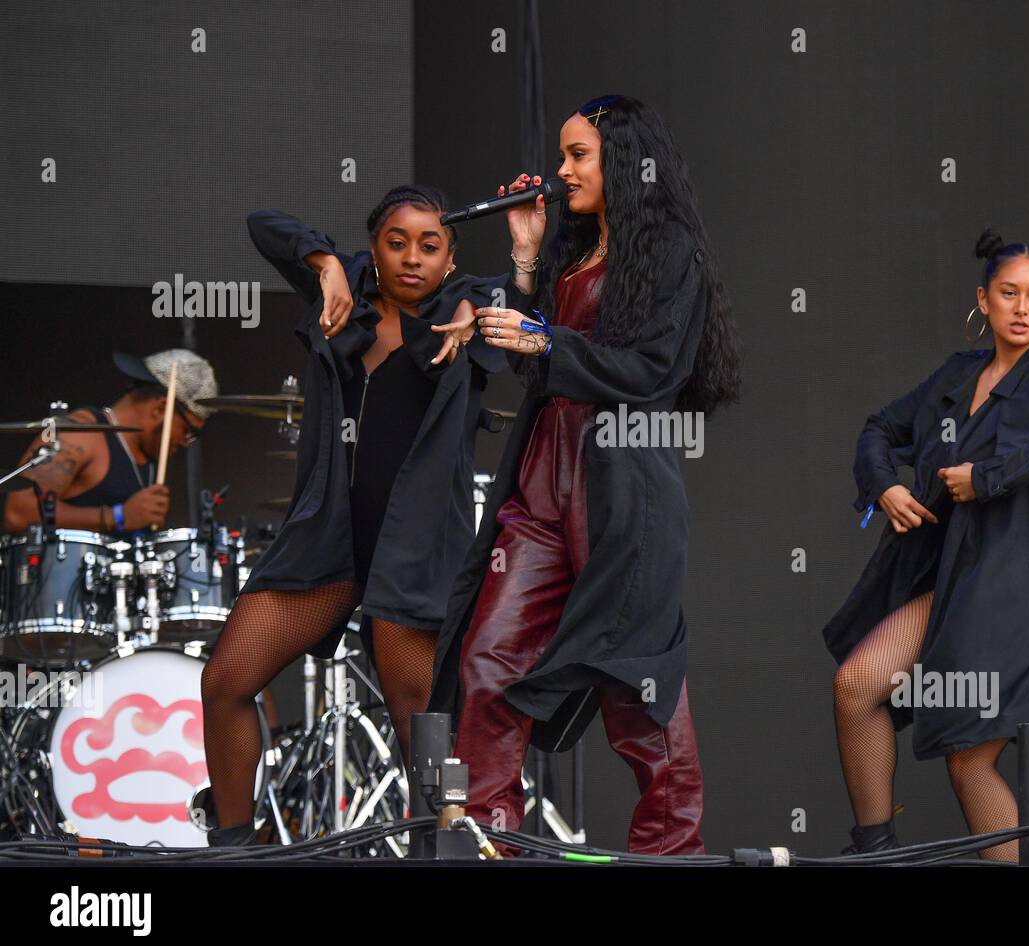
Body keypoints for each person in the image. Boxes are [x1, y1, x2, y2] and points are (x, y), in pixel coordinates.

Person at [428, 95, 741, 855]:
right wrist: (528, 258)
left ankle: (672, 851)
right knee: (489, 655)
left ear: (626, 164)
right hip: (542, 482)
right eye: (562, 156)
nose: (563, 171)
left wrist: (543, 341)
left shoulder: (671, 255)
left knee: (635, 683)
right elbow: (528, 356)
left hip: (621, 491)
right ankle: (490, 841)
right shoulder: (576, 249)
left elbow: (653, 370)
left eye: (579, 156)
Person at [200, 186, 510, 846]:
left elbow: (523, 298)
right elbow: (264, 217)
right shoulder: (340, 299)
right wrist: (324, 263)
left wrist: (480, 304)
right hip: (328, 548)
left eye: (430, 245)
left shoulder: (468, 310)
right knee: (225, 681)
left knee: (419, 730)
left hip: (413, 557)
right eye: (396, 242)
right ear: (375, 249)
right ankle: (234, 848)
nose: (412, 257)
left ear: (450, 261)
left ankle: (437, 856)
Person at [823, 228, 1029, 861]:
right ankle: (878, 851)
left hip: (1023, 590)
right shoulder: (959, 372)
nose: (1024, 307)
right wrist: (884, 490)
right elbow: (880, 427)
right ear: (984, 299)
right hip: (958, 579)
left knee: (969, 758)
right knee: (856, 686)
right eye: (1010, 293)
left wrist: (987, 478)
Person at [2, 349, 216, 536]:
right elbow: (17, 513)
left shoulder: (147, 453)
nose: (186, 442)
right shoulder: (81, 434)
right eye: (188, 431)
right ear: (161, 408)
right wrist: (117, 517)